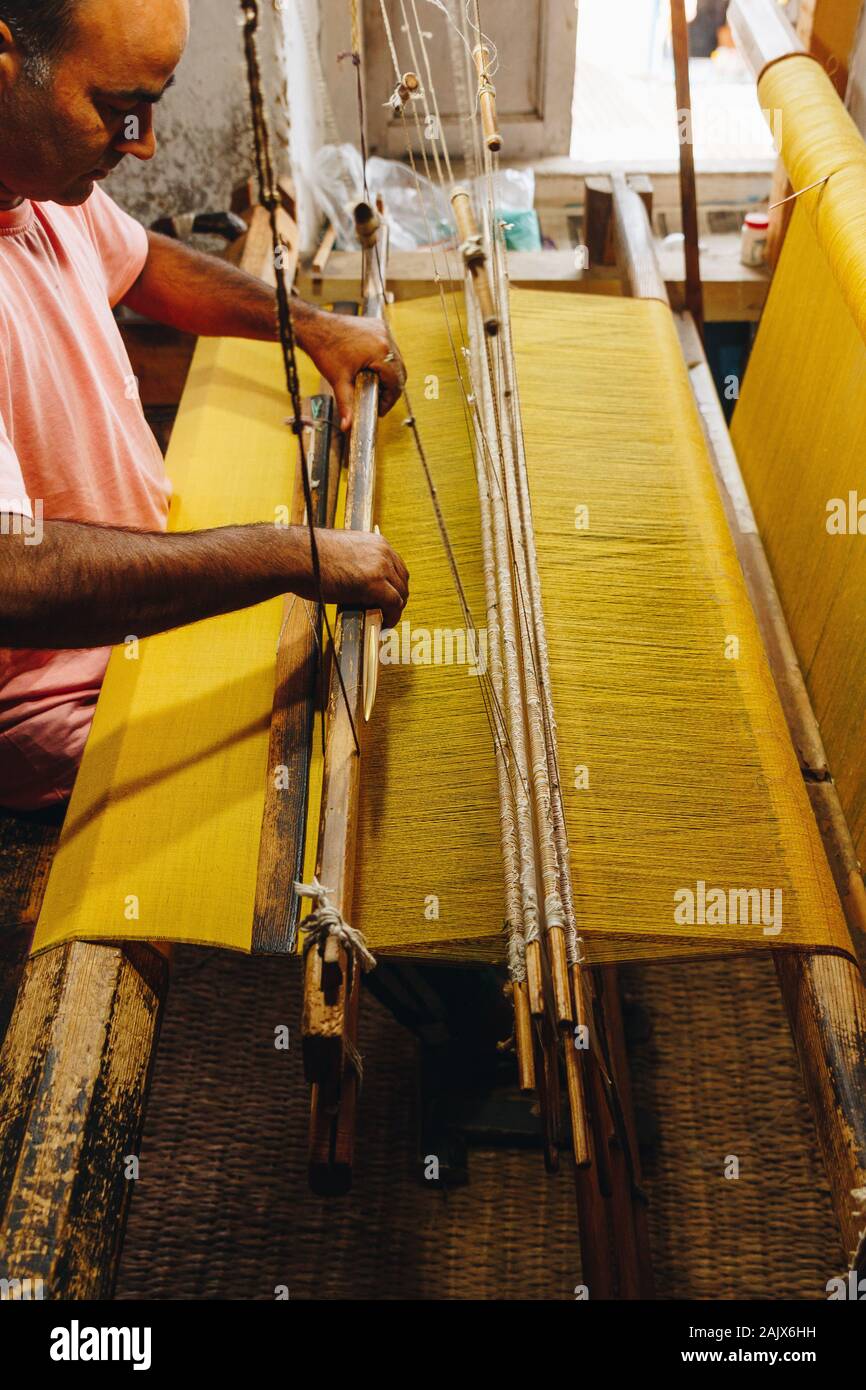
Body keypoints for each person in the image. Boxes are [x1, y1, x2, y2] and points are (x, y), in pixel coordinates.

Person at [0, 0, 409, 812]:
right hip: (65, 713)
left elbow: (144, 261)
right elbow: (12, 574)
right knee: (381, 770)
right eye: (119, 111)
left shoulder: (37, 186)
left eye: (153, 104)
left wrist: (313, 328)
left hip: (139, 631)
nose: (143, 144)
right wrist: (291, 555)